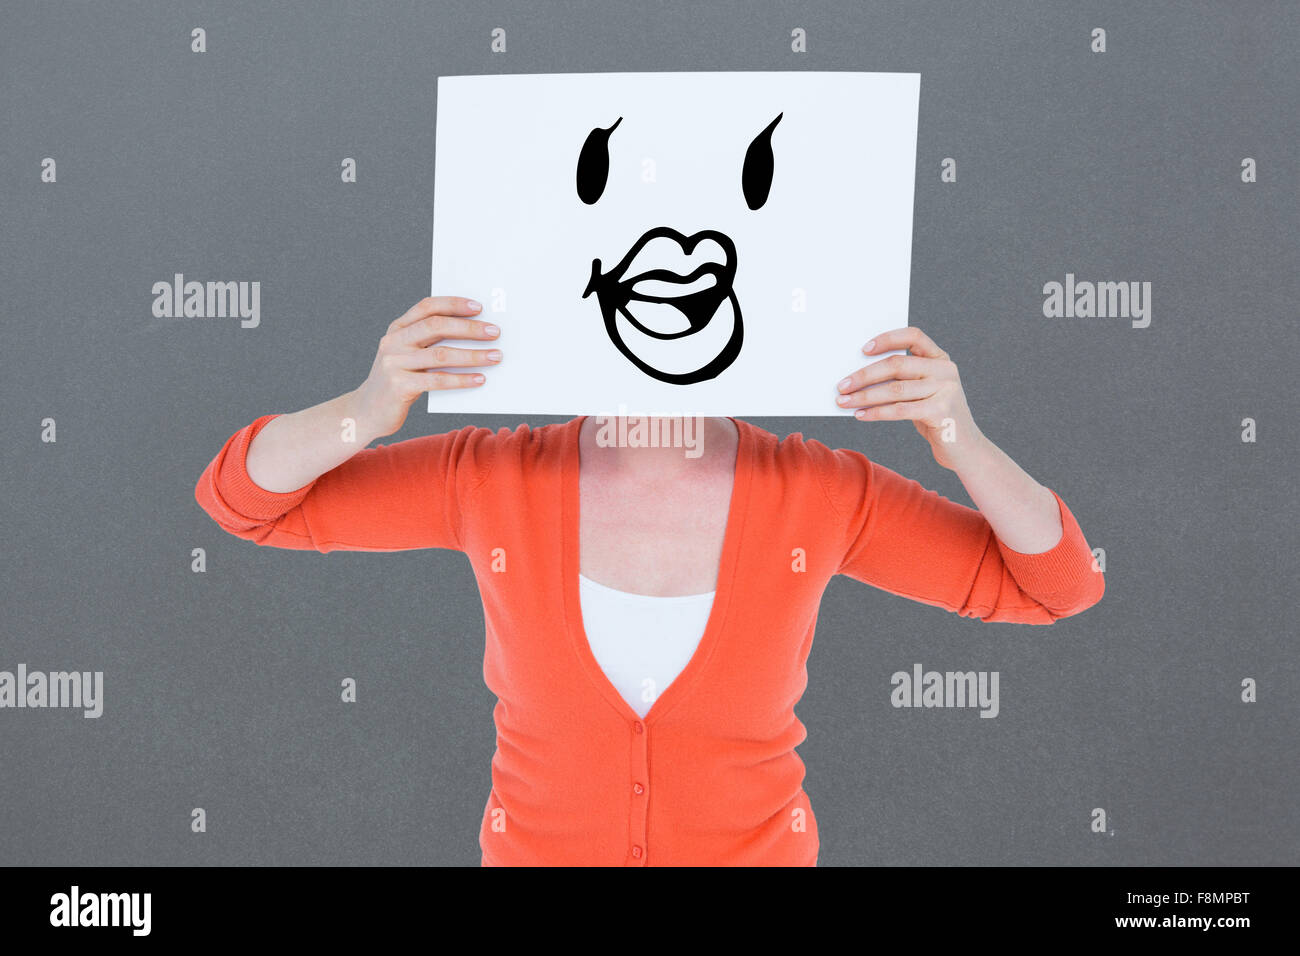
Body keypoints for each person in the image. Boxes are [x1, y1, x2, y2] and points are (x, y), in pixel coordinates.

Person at [194, 295, 1105, 866]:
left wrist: (964, 444)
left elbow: (1054, 585)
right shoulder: (491, 477)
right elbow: (244, 501)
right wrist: (364, 410)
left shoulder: (822, 491)